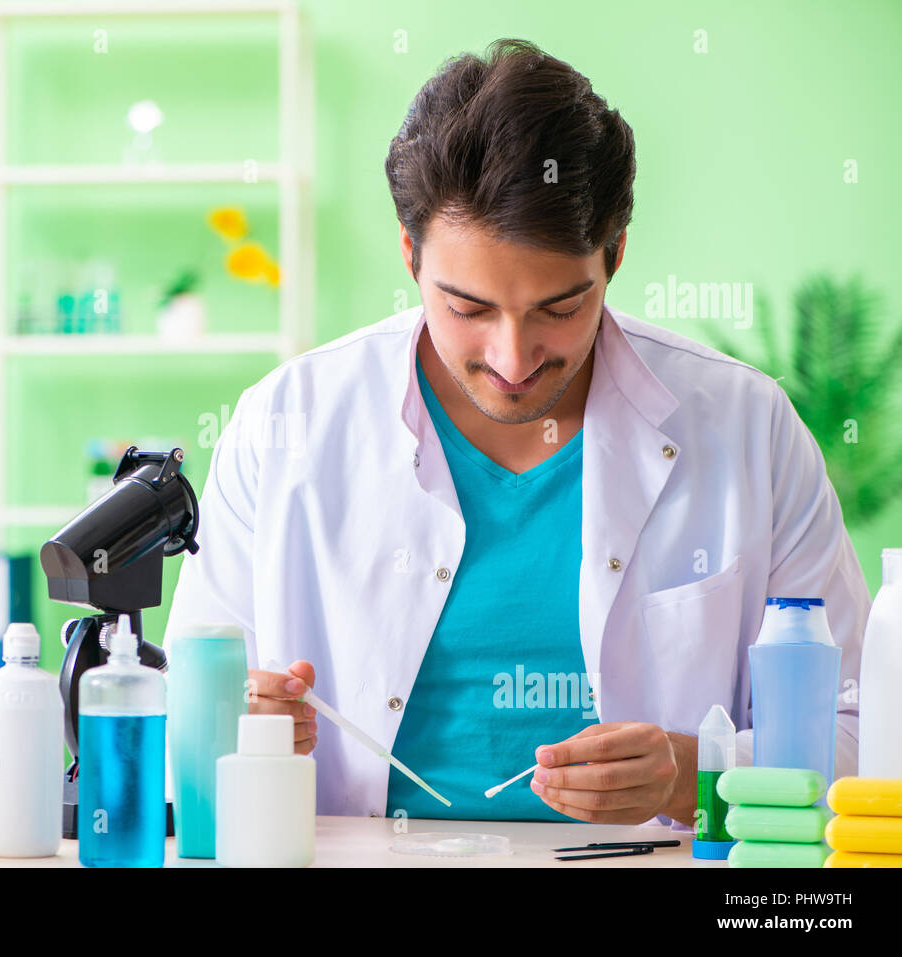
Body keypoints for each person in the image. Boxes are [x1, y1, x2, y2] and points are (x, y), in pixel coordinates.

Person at [162, 39, 870, 826]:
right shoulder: (283, 425)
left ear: (616, 255)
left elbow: (861, 733)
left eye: (559, 309)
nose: (512, 358)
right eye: (467, 308)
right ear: (409, 256)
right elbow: (175, 729)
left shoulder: (747, 426)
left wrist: (697, 773)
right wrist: (231, 723)